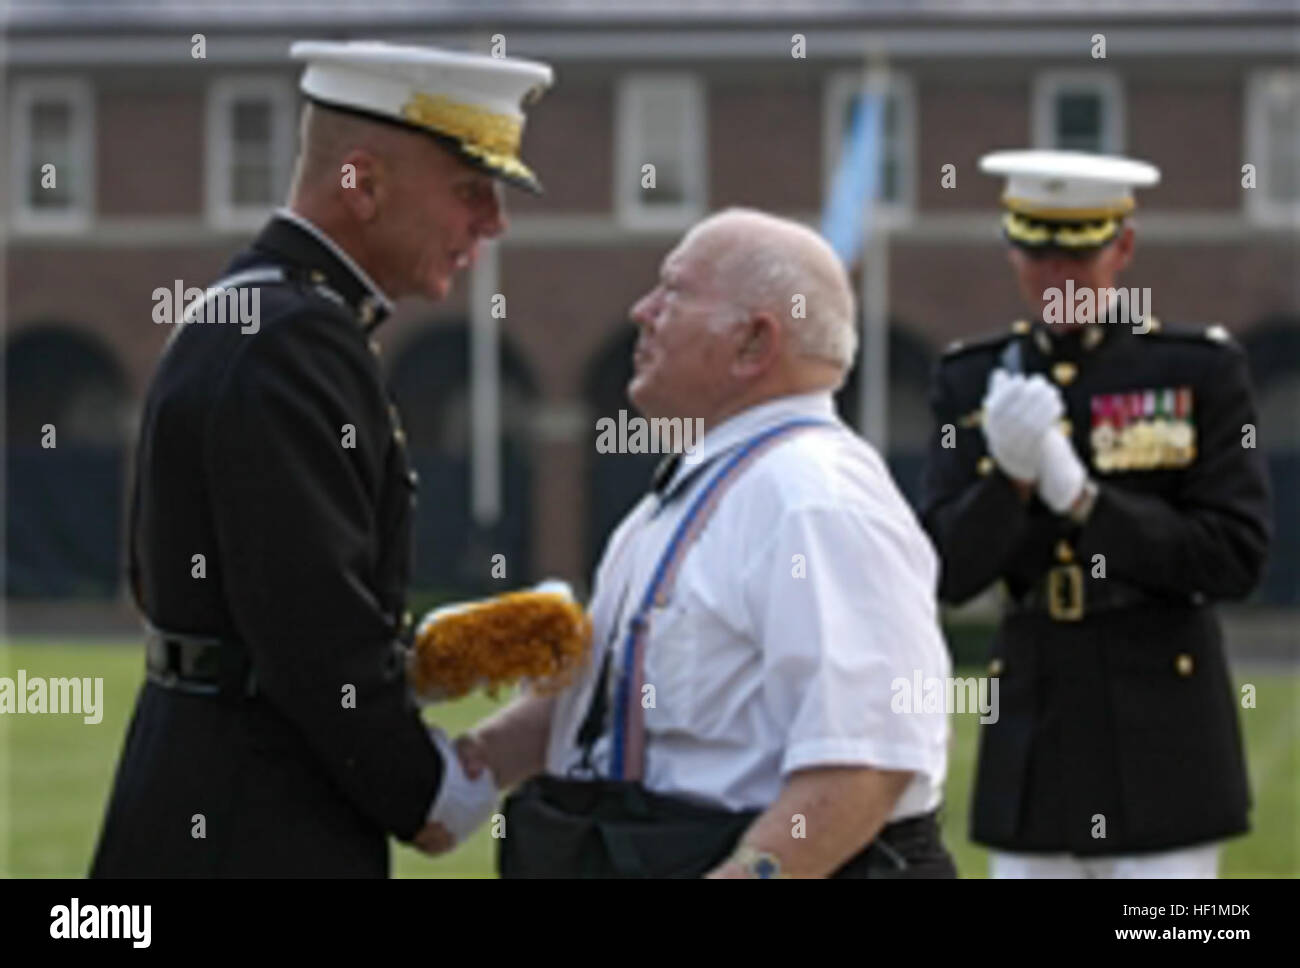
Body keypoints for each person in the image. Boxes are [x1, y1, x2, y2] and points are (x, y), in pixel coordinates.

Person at [90, 40, 553, 877]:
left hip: (212, 781)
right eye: (470, 190)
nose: (494, 222)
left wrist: (428, 659)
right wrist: (438, 792)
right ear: (361, 184)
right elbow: (310, 631)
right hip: (253, 819)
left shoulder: (264, 315)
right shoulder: (295, 337)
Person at [450, 208, 955, 878]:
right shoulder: (689, 496)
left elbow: (860, 768)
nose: (641, 311)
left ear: (753, 343)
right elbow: (600, 712)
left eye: (675, 292)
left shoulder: (817, 500)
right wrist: (453, 782)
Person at [919, 149, 1272, 878]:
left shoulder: (1196, 370)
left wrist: (1086, 501)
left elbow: (1234, 557)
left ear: (1123, 249)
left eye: (1078, 257)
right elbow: (946, 573)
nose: (1056, 278)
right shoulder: (971, 380)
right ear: (1011, 249)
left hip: (1163, 722)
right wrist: (1009, 485)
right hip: (1036, 718)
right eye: (1037, 254)